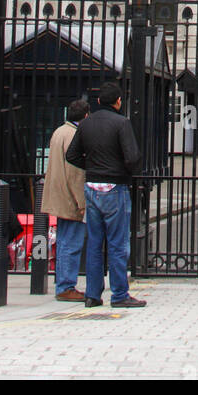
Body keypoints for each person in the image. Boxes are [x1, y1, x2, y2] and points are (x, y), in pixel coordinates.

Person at [65, 81, 144, 308]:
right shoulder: (122, 123)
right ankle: (119, 294)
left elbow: (71, 155)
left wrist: (91, 166)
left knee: (95, 244)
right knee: (118, 245)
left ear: (98, 102)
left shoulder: (86, 124)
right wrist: (126, 171)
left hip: (92, 186)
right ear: (118, 102)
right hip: (114, 188)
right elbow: (131, 158)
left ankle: (92, 294)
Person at [41, 99, 89, 301]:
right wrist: (81, 202)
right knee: (71, 243)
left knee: (63, 241)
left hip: (58, 193)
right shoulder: (73, 135)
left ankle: (62, 281)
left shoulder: (60, 131)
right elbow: (75, 173)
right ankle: (66, 286)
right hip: (69, 197)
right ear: (85, 115)